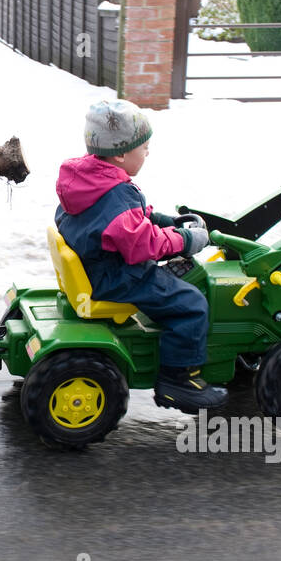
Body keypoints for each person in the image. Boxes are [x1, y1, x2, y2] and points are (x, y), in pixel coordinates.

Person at [54, 99, 227, 411]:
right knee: (191, 305)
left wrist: (166, 221)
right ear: (121, 153)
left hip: (95, 265)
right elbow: (140, 245)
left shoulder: (87, 180)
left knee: (175, 284)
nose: (148, 153)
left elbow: (125, 221)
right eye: (144, 148)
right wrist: (187, 239)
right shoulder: (118, 193)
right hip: (116, 275)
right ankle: (177, 380)